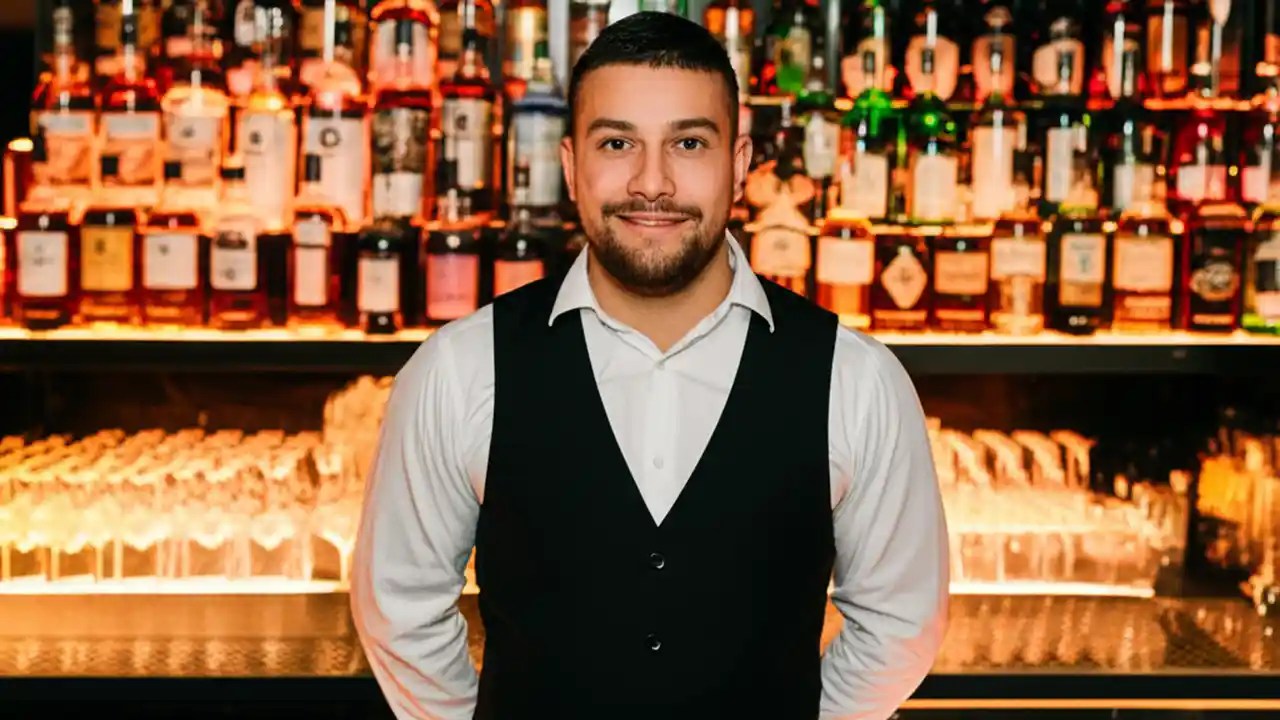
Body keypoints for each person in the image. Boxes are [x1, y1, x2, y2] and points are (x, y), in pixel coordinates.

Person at [351, 11, 948, 720]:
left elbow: (900, 624)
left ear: (740, 163)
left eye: (688, 143)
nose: (651, 182)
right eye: (617, 143)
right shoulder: (459, 369)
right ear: (570, 165)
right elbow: (401, 610)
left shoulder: (856, 379)